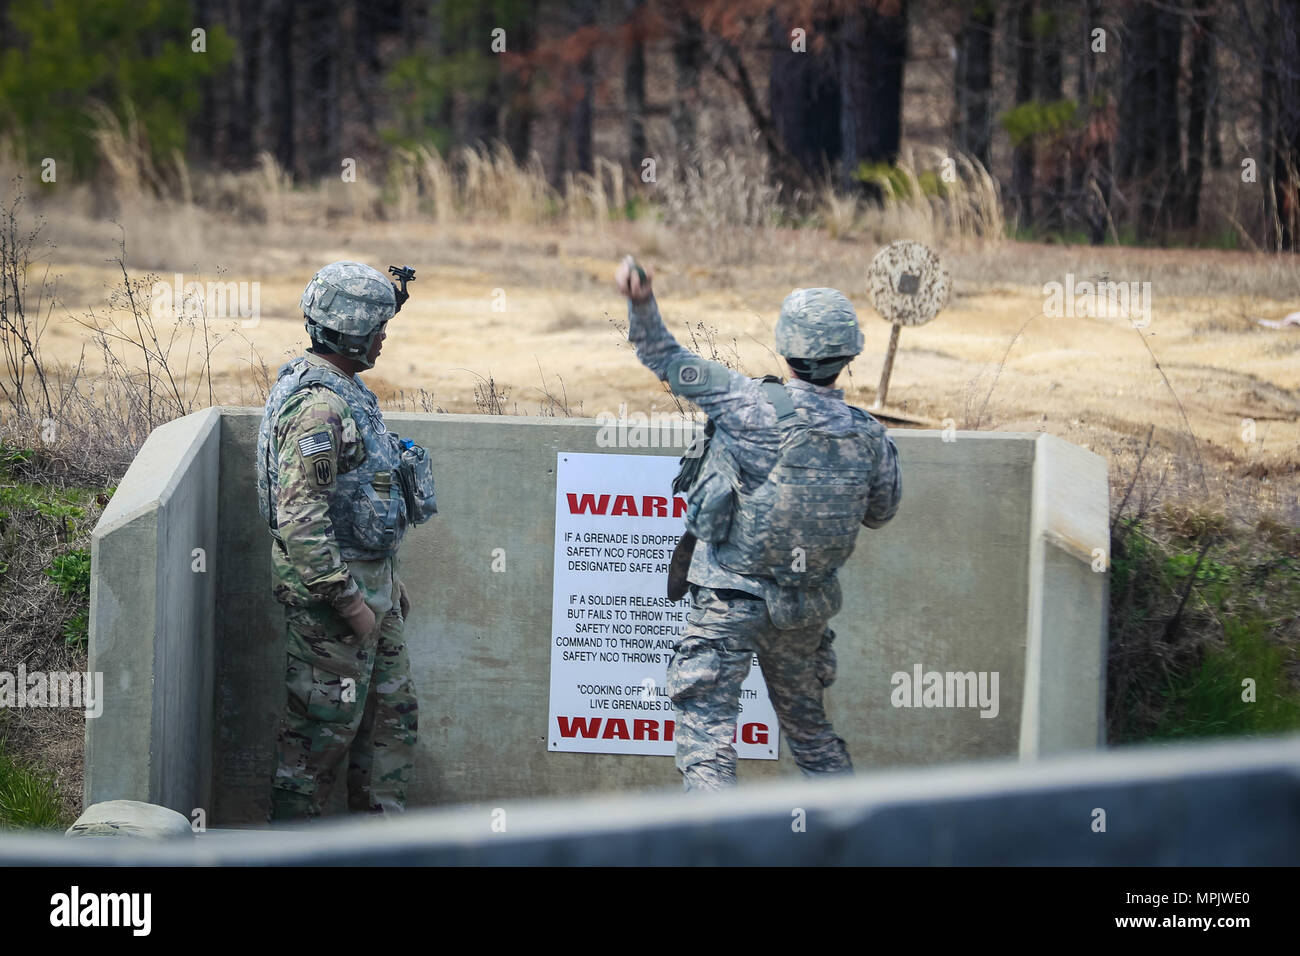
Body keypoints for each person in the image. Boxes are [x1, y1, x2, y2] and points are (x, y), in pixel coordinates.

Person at [614, 256, 902, 791]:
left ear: (786, 347)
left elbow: (662, 356)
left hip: (729, 601)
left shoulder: (748, 404)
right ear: (850, 355)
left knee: (708, 740)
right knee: (813, 738)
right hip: (803, 611)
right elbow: (881, 513)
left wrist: (641, 300)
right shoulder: (869, 436)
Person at [255, 260, 436, 820]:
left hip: (371, 589)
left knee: (390, 725)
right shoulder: (319, 407)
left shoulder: (346, 391)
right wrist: (350, 600)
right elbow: (302, 517)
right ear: (349, 331)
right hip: (335, 605)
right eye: (377, 326)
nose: (384, 336)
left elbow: (357, 500)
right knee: (316, 744)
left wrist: (385, 579)